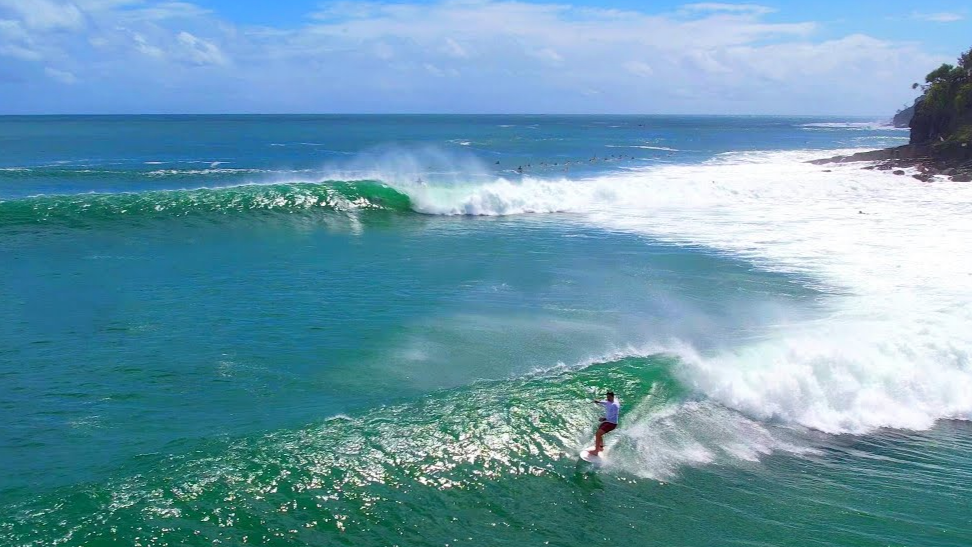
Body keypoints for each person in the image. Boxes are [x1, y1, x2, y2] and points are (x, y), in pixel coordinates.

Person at [591, 391, 620, 456]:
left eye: (609, 397)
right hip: (608, 421)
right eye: (607, 397)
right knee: (598, 431)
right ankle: (601, 447)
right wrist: (599, 402)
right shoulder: (610, 401)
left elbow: (614, 415)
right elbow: (606, 402)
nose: (607, 398)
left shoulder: (615, 405)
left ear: (612, 397)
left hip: (612, 423)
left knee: (598, 433)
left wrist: (604, 419)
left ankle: (596, 451)